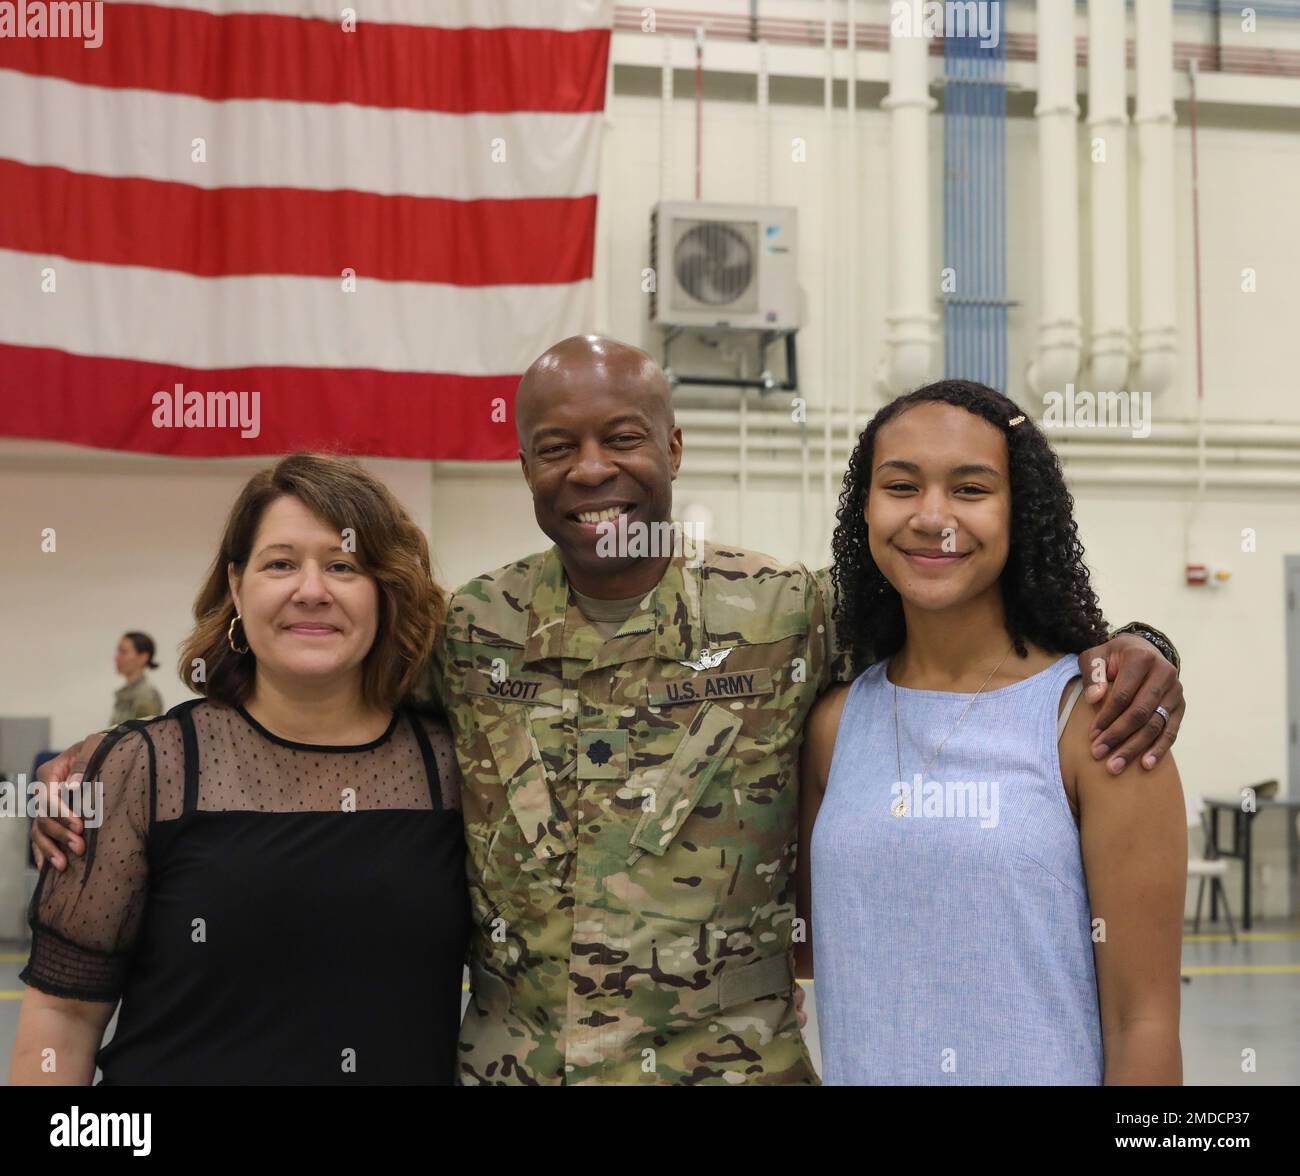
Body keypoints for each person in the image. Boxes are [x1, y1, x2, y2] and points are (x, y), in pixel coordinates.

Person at [35, 337, 1186, 1086]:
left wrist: (1138, 644)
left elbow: (957, 610)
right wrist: (113, 759)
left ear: (673, 448)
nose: (593, 470)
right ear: (526, 466)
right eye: (558, 447)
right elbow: (321, 671)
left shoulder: (787, 613)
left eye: (623, 439)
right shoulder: (466, 631)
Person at [12, 453, 469, 1085]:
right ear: (236, 584)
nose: (311, 590)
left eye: (342, 565)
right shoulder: (145, 771)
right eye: (280, 563)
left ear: (383, 588)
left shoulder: (455, 767)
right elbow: (63, 1017)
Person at [799, 381, 1186, 1085]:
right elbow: (808, 948)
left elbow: (1145, 1020)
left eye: (971, 489)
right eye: (901, 486)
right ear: (866, 510)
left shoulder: (1098, 722)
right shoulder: (835, 725)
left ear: (1021, 515)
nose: (934, 517)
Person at [110, 631, 164, 725]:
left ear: (143, 657)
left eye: (124, 652)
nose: (117, 657)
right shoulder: (125, 694)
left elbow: (147, 736)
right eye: (118, 652)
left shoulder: (146, 696)